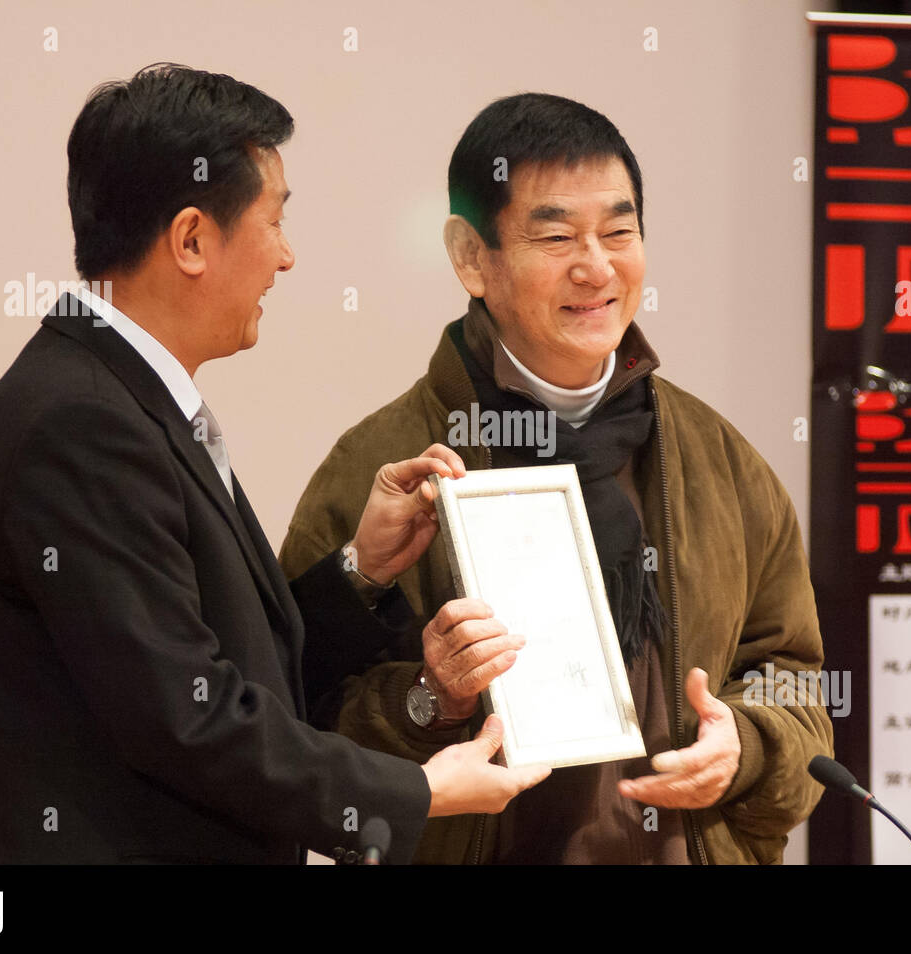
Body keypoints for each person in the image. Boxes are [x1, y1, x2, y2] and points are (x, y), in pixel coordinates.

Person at [0, 64, 547, 865]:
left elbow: (225, 665)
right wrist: (418, 794)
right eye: (275, 221)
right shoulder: (82, 422)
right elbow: (187, 720)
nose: (288, 258)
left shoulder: (121, 398)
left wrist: (360, 570)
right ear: (193, 239)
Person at [279, 93, 834, 864]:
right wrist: (430, 700)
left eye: (619, 231)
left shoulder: (722, 463)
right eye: (556, 236)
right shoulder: (386, 467)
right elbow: (294, 721)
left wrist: (744, 746)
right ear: (473, 257)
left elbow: (798, 683)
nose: (597, 266)